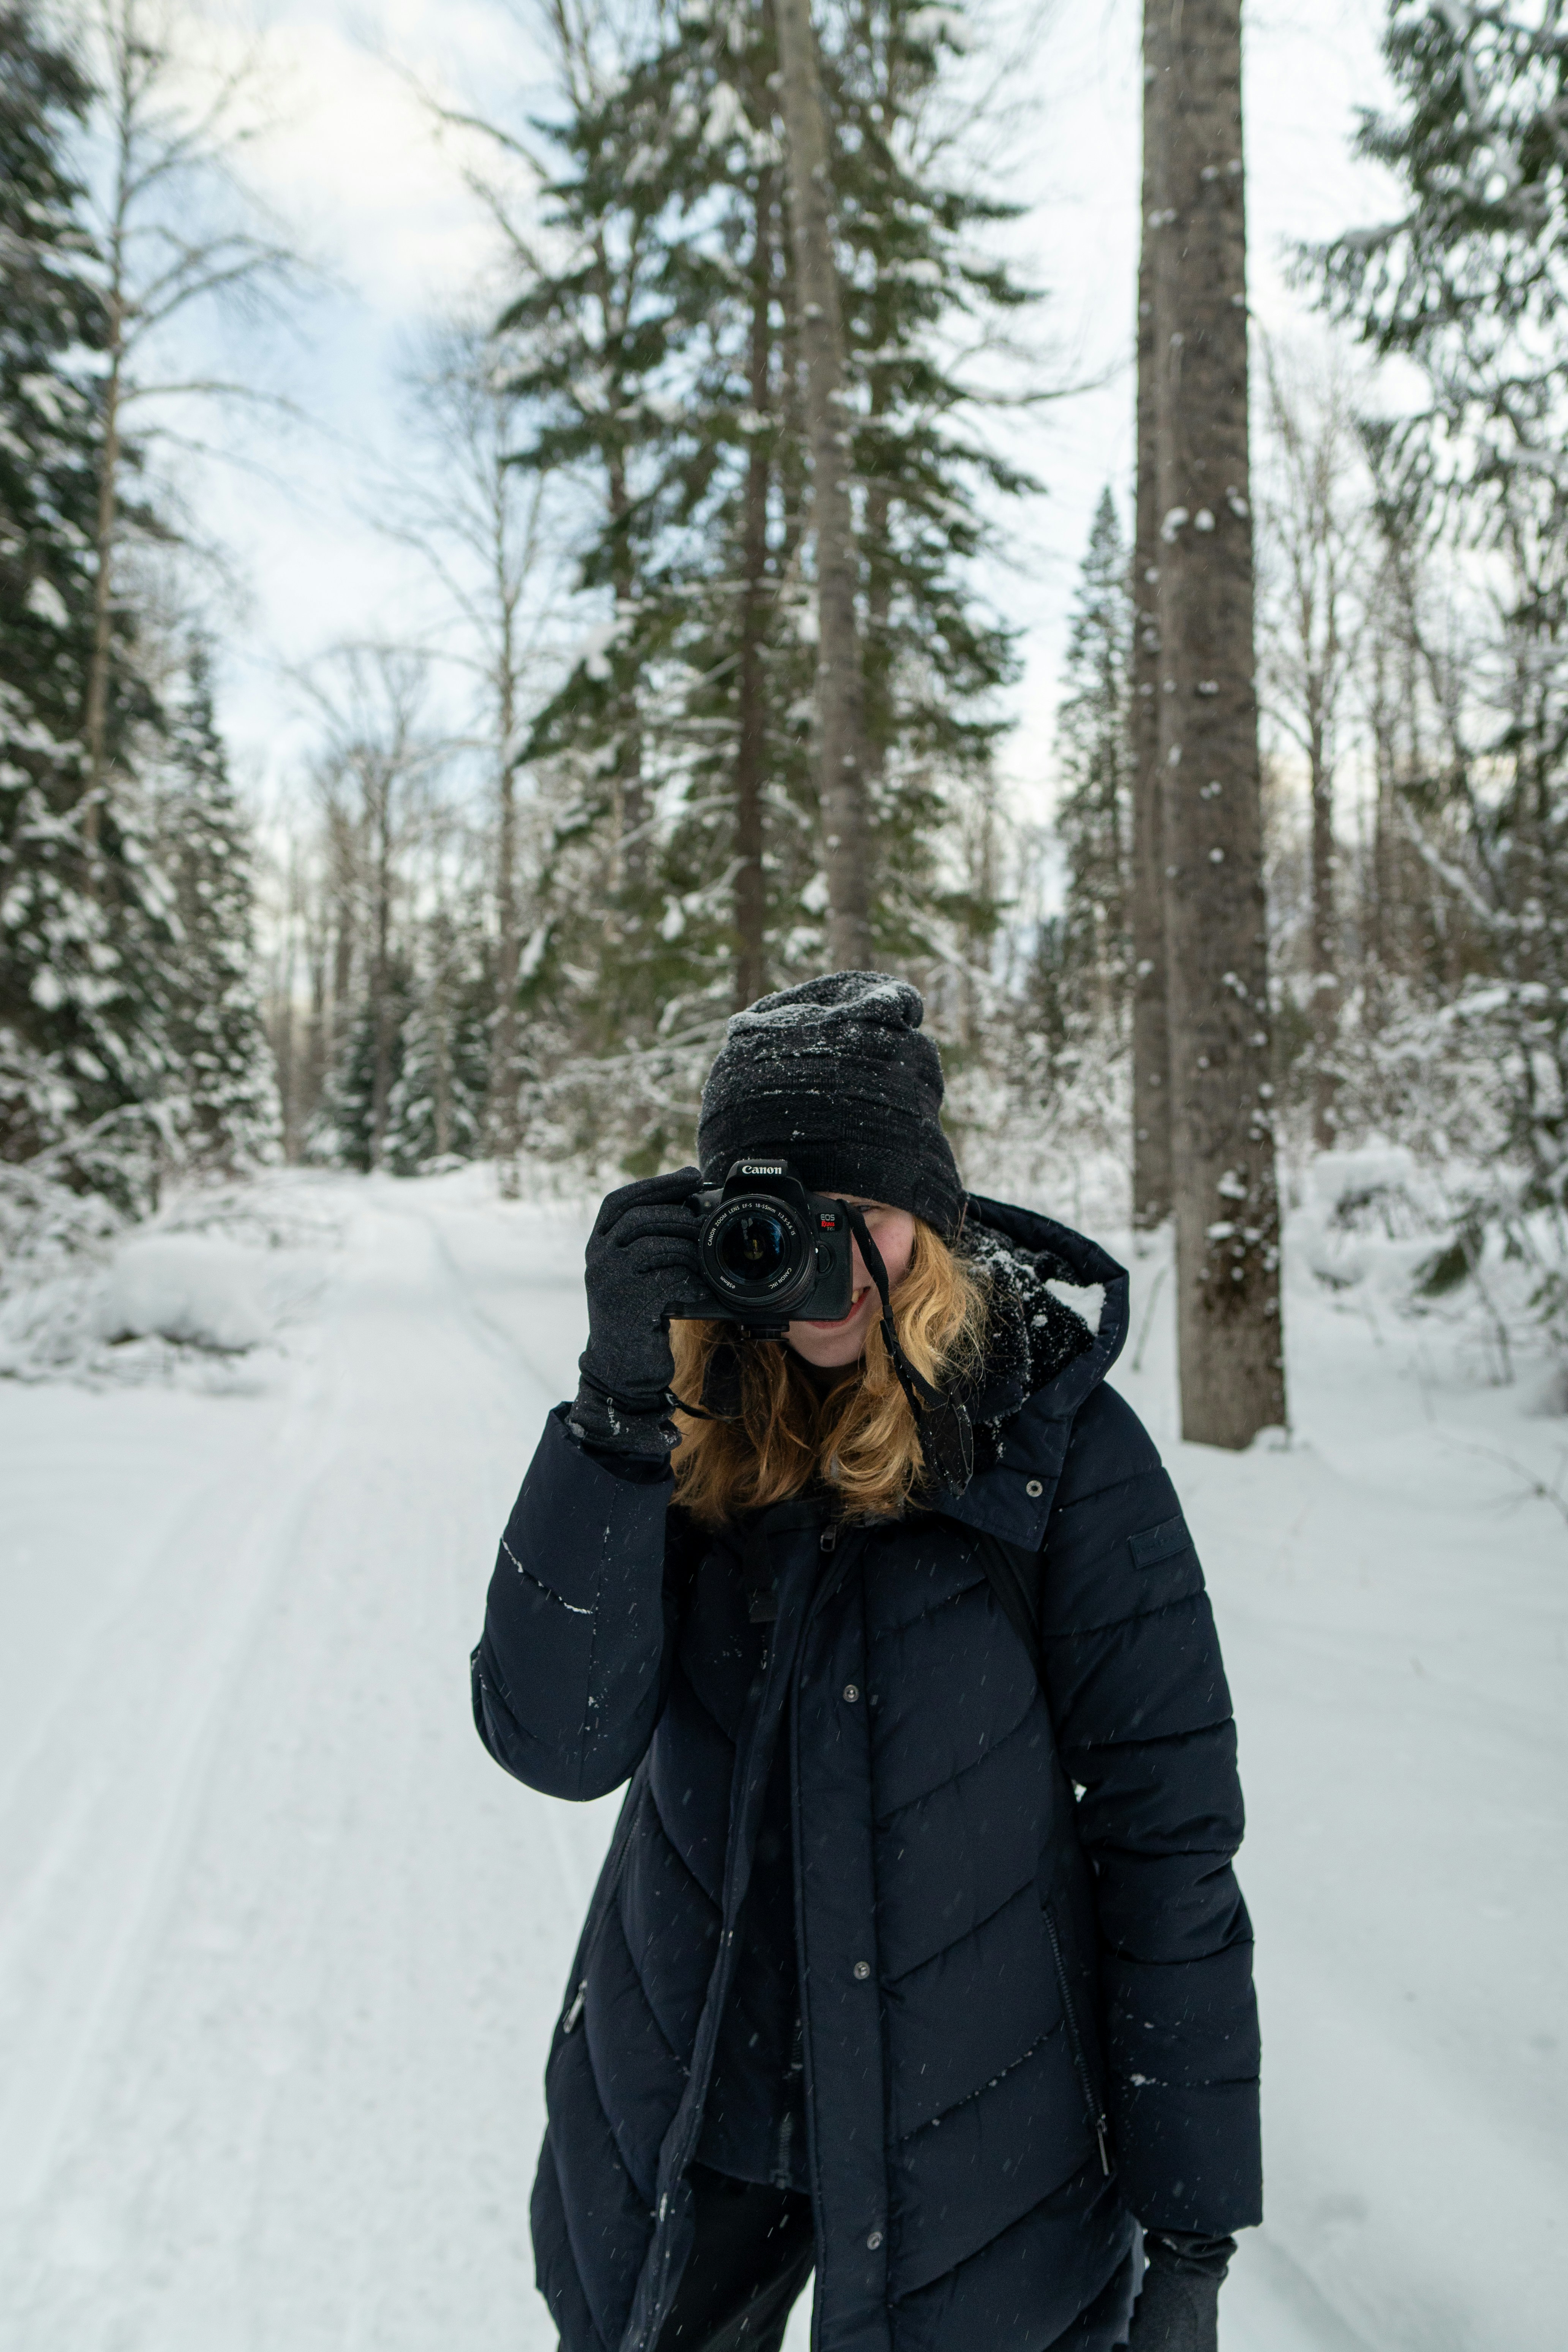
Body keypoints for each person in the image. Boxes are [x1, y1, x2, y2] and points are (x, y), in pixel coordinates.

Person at [472, 972, 1260, 2352]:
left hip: (977, 2156)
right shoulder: (685, 1414)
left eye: (868, 1218)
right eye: (785, 1221)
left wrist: (1190, 2234)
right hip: (692, 2111)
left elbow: (1169, 1840)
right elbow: (556, 1741)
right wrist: (612, 1415)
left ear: (934, 1224)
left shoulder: (1060, 1446)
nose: (825, 1262)